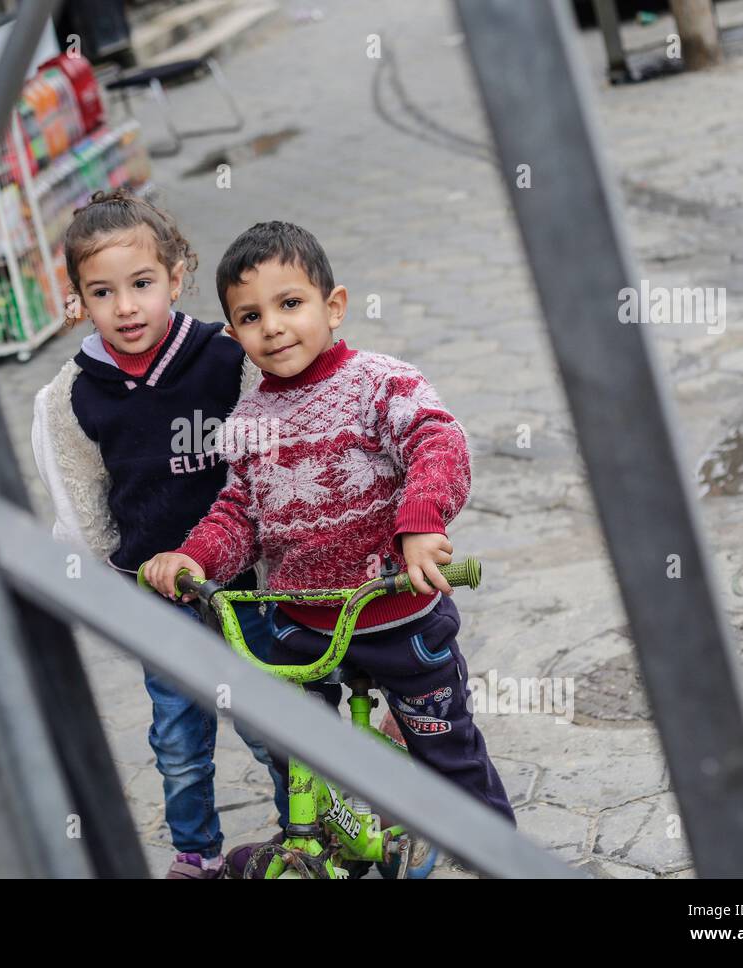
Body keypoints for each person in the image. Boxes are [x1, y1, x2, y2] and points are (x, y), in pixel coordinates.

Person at [142, 221, 515, 876]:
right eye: (252, 316)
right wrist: (196, 558)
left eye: (291, 304)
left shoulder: (378, 384)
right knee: (292, 741)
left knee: (450, 755)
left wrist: (421, 521)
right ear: (234, 336)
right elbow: (239, 515)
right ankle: (331, 835)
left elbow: (436, 440)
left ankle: (505, 857)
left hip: (395, 615)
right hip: (301, 624)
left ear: (332, 306)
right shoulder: (248, 423)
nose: (275, 327)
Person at [30, 190, 287, 878]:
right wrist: (109, 576)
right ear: (78, 300)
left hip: (243, 587)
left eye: (142, 284)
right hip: (157, 595)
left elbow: (269, 446)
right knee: (177, 737)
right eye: (103, 292)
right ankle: (196, 854)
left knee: (270, 722)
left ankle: (304, 827)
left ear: (175, 277)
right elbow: (81, 492)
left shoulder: (221, 359)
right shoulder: (75, 394)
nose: (127, 306)